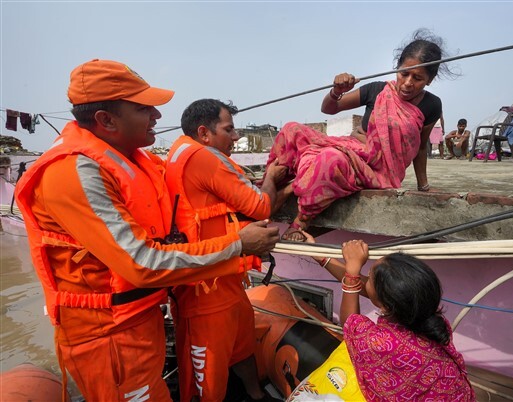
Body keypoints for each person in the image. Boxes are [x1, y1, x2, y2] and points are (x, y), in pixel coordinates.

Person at [14, 59, 279, 402]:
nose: (156, 115)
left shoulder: (135, 159)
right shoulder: (73, 173)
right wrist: (238, 245)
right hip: (108, 338)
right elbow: (142, 263)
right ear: (106, 120)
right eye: (143, 108)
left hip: (140, 321)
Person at [264, 29, 451, 241]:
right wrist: (337, 90)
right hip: (351, 148)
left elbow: (420, 147)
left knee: (329, 160)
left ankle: (301, 222)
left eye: (417, 78)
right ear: (397, 69)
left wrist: (423, 186)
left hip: (377, 170)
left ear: (430, 80)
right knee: (291, 130)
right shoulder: (377, 89)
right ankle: (272, 190)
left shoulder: (431, 105)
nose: (408, 82)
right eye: (404, 73)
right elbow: (329, 109)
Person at [165, 99, 286, 402]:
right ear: (204, 133)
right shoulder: (203, 157)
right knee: (211, 367)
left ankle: (256, 395)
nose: (235, 137)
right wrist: (272, 179)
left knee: (243, 341)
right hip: (204, 285)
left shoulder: (183, 152)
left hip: (225, 274)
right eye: (228, 129)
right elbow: (261, 206)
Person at [304, 232, 475, 401]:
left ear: (386, 304)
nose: (365, 279)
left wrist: (352, 271)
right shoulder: (428, 315)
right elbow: (369, 289)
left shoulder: (382, 343)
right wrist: (320, 256)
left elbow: (349, 321)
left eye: (369, 277)